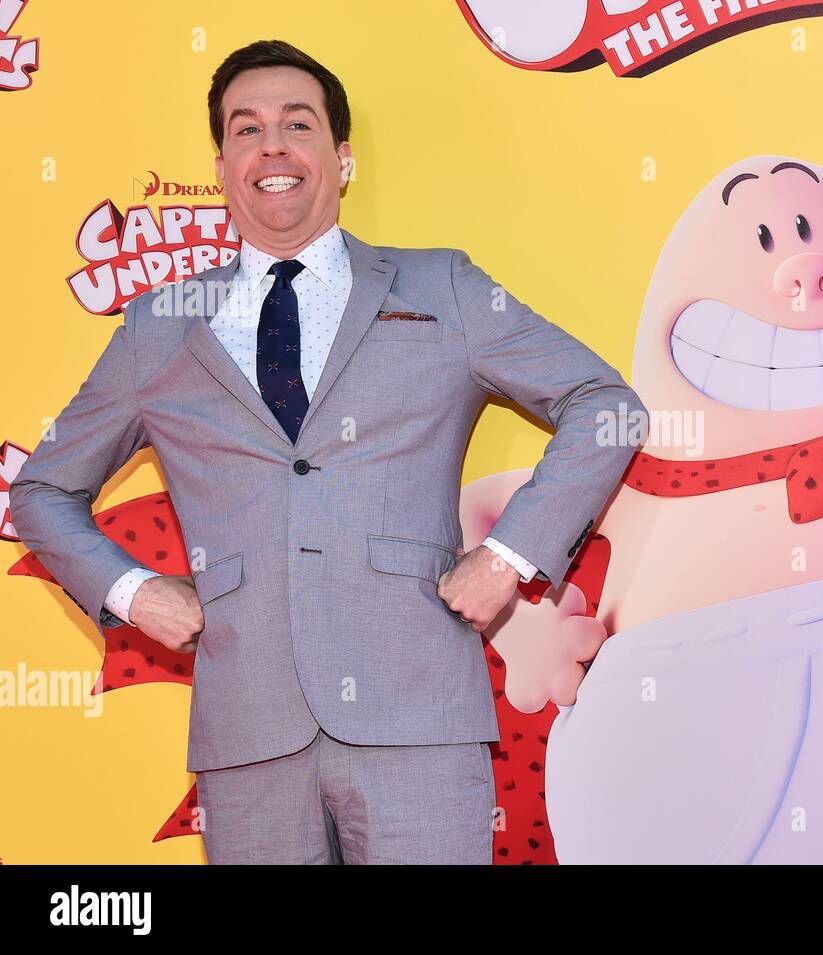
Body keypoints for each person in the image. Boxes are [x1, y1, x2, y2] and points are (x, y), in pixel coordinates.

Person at [8, 38, 647, 864]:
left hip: (418, 716)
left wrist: (508, 555)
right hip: (247, 731)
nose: (273, 147)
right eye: (248, 129)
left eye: (297, 124)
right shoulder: (156, 329)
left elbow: (606, 406)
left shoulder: (442, 288)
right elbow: (41, 491)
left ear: (341, 161)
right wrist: (134, 593)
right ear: (222, 164)